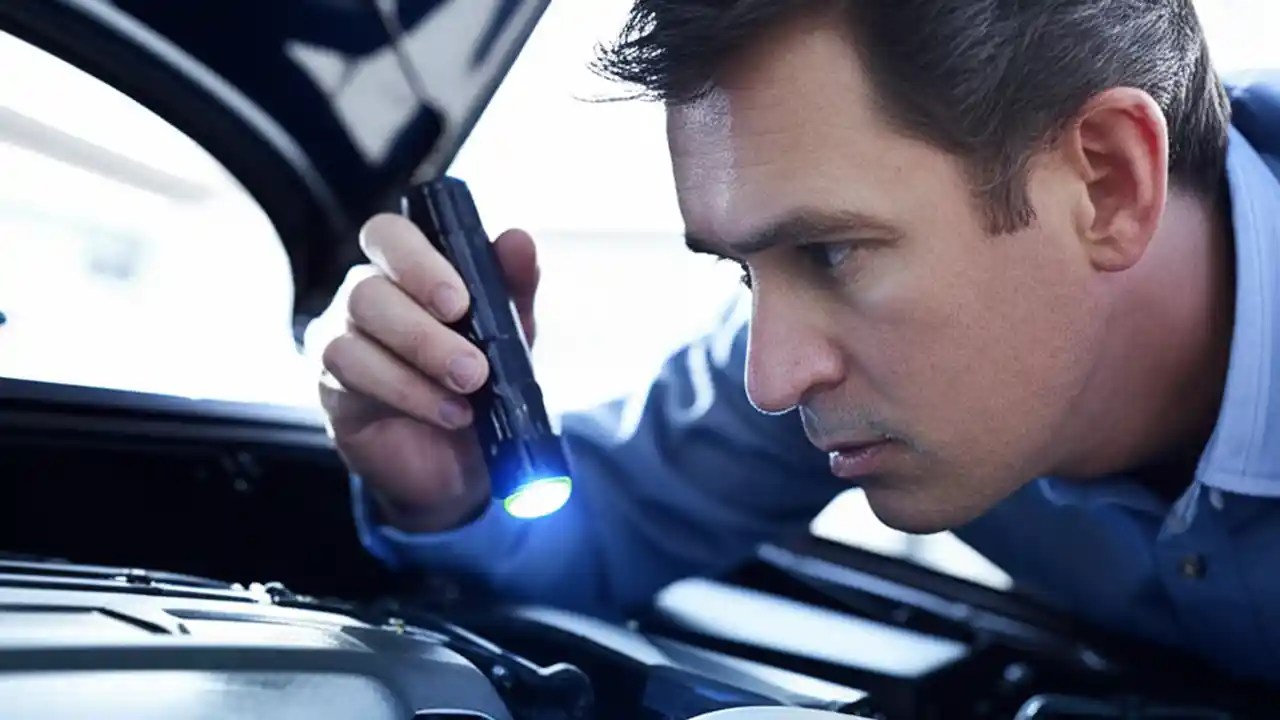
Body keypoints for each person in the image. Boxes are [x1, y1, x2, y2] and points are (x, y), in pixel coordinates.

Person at [311, 0, 1280, 684]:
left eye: (828, 251)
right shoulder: (843, 363)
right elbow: (599, 530)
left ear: (1107, 182)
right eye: (742, 270)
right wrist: (454, 485)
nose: (770, 380)